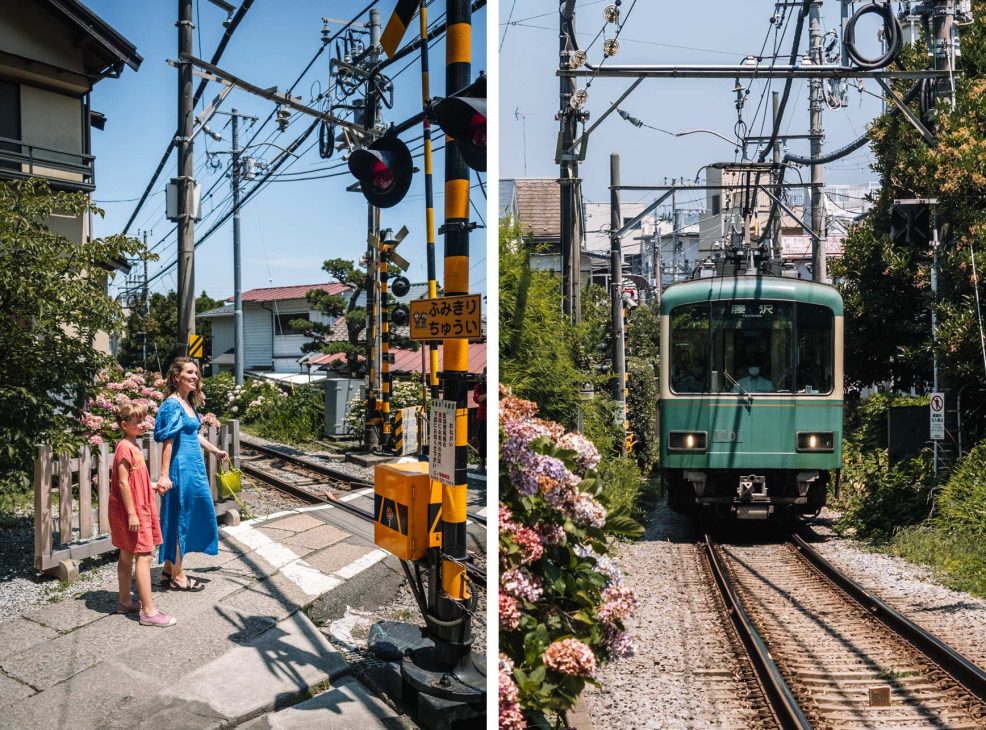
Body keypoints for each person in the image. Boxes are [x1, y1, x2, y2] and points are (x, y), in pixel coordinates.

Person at [155, 357, 228, 592]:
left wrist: (215, 451)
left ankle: (168, 570)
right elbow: (168, 440)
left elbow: (193, 434)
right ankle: (179, 576)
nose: (195, 376)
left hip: (192, 467)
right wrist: (164, 475)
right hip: (179, 469)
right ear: (176, 377)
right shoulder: (172, 404)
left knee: (185, 515)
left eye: (196, 372)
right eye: (189, 372)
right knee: (180, 518)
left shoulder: (188, 403)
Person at [109, 402, 175, 627]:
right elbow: (123, 482)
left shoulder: (131, 445)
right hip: (135, 510)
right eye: (138, 422)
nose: (143, 424)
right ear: (125, 424)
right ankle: (148, 612)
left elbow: (135, 479)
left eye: (144, 420)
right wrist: (132, 514)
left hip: (135, 507)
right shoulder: (126, 447)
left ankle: (125, 601)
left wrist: (153, 484)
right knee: (144, 555)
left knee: (127, 553)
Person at [473, 368, 487, 473]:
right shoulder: (479, 386)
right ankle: (482, 463)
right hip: (483, 417)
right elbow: (476, 399)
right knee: (482, 440)